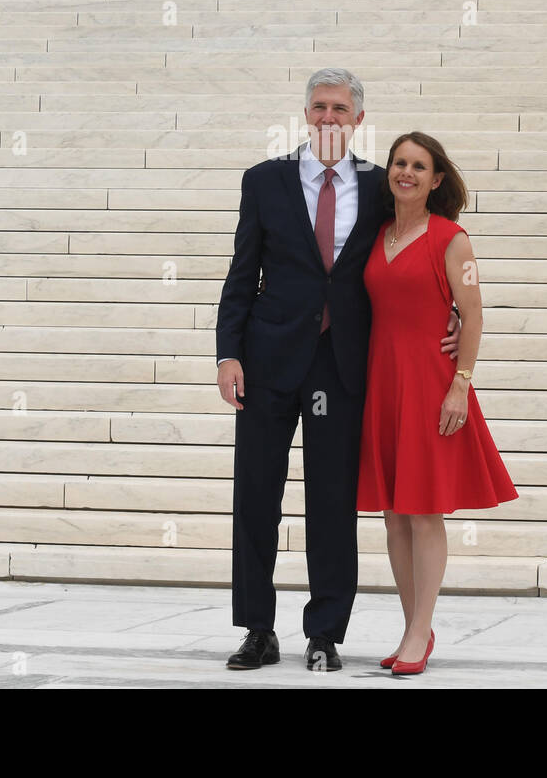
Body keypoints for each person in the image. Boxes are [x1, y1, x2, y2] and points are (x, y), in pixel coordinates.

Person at [215, 69, 460, 672]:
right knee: (256, 499)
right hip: (268, 361)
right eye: (319, 108)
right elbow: (243, 273)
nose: (329, 118)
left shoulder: (384, 186)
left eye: (340, 108)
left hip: (343, 365)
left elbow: (421, 243)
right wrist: (228, 354)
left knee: (331, 504)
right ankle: (257, 629)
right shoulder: (264, 181)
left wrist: (451, 314)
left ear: (358, 119)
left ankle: (324, 632)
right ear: (306, 116)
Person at [356, 131, 517, 676]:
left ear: (436, 179)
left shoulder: (452, 238)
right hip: (382, 383)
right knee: (393, 516)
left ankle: (419, 632)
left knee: (423, 512)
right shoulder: (376, 234)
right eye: (399, 163)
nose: (406, 173)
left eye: (418, 166)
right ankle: (413, 630)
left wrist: (460, 385)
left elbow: (472, 313)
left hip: (429, 383)